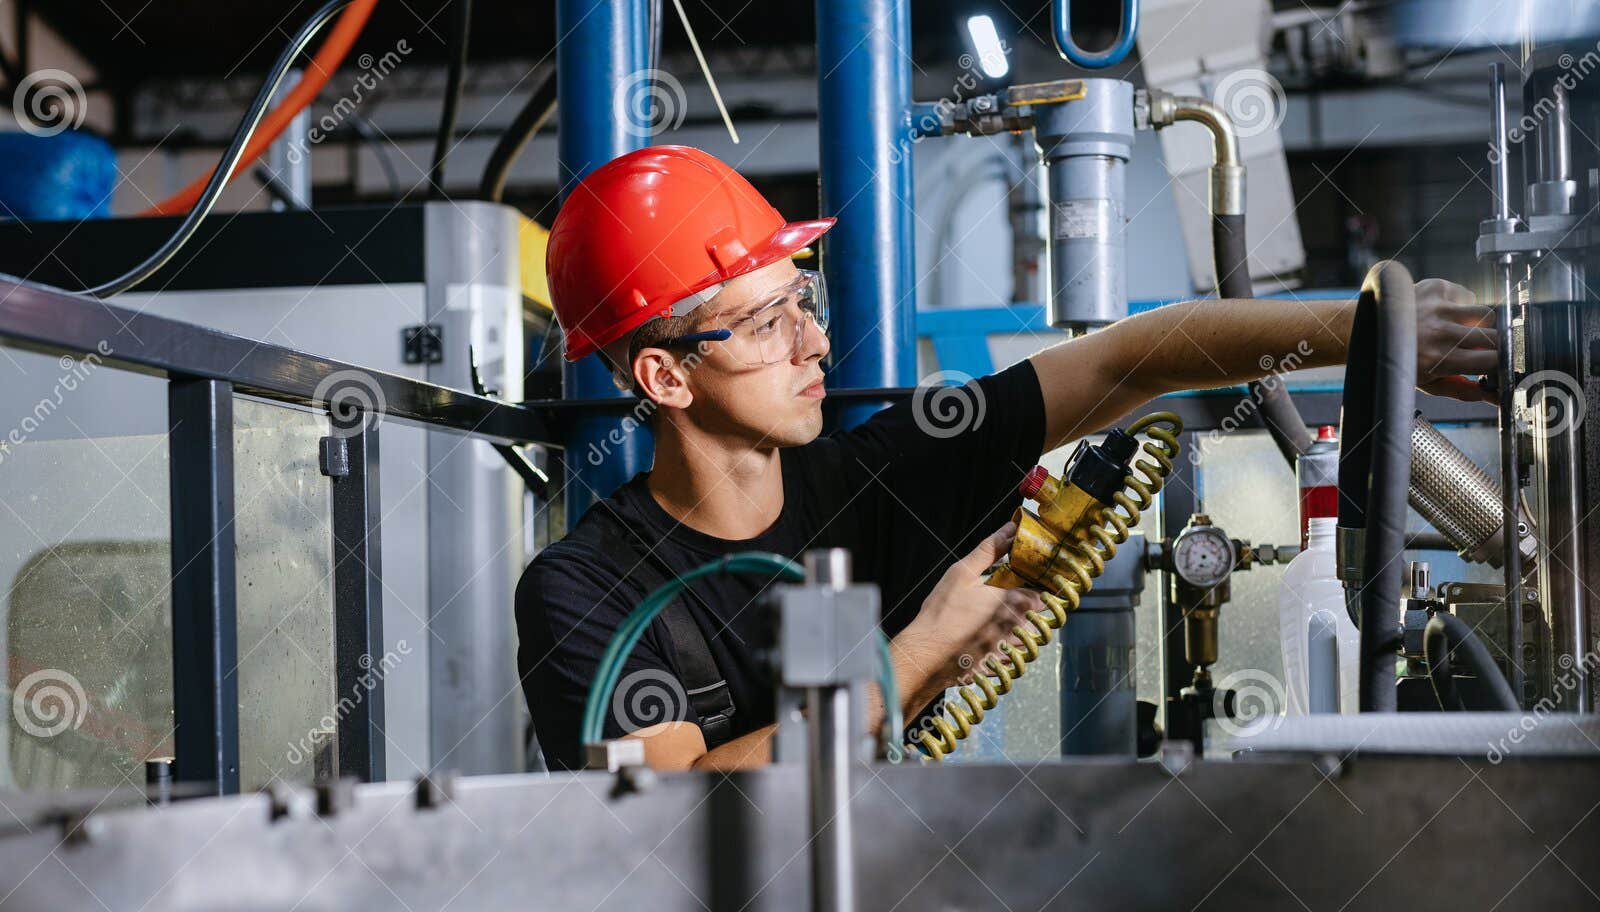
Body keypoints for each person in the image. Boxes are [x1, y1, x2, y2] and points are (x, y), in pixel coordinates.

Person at [516, 145, 1495, 771]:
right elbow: (668, 814)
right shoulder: (585, 591)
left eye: (802, 303)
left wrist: (1371, 326)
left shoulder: (884, 472)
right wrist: (917, 657)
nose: (812, 343)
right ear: (666, 376)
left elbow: (1126, 358)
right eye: (767, 321)